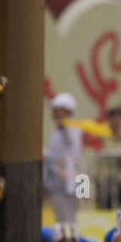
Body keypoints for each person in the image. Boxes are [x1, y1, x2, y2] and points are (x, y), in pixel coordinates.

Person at [44, 93, 84, 224]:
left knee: (66, 223)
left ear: (66, 111)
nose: (53, 112)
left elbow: (67, 135)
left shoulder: (69, 128)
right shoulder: (59, 130)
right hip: (57, 185)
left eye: (57, 109)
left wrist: (63, 124)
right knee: (63, 220)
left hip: (67, 186)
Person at [96, 106, 121, 209]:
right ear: (109, 120)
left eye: (119, 118)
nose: (117, 121)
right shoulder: (101, 138)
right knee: (104, 209)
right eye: (114, 118)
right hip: (105, 181)